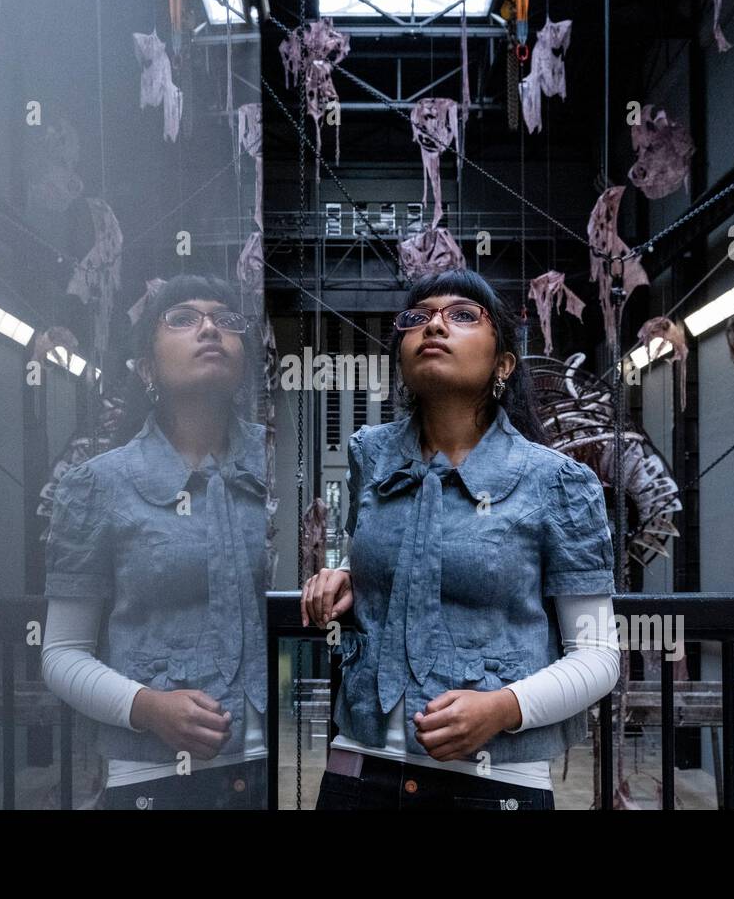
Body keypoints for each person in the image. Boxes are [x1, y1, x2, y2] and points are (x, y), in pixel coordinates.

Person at [302, 268, 622, 810]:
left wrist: (503, 707)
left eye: (462, 315)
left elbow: (597, 656)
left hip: (494, 784)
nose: (434, 326)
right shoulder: (371, 456)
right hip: (358, 770)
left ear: (503, 364)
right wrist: (346, 577)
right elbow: (397, 563)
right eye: (417, 317)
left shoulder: (559, 483)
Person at [41, 275, 270, 810]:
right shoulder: (98, 484)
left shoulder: (281, 466)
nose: (210, 327)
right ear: (146, 368)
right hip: (154, 783)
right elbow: (60, 655)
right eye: (184, 318)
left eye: (226, 320)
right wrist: (148, 707)